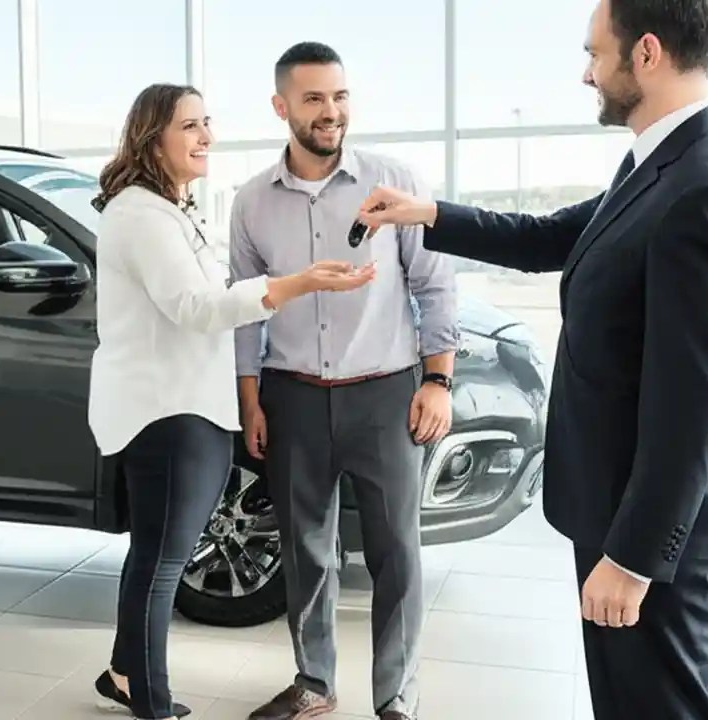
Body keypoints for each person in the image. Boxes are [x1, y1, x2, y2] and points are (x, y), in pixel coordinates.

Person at [356, 2, 708, 718]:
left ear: (646, 53)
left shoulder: (707, 191)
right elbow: (548, 237)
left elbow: (694, 410)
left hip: (652, 545)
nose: (587, 73)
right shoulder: (659, 164)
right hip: (617, 512)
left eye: (595, 53)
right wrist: (428, 214)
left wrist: (635, 560)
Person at [87, 82, 378, 720]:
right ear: (151, 137)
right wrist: (291, 285)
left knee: (155, 553)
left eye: (207, 122)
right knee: (164, 563)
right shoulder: (139, 213)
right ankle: (149, 699)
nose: (206, 136)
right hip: (165, 410)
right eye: (190, 126)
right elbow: (194, 309)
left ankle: (122, 673)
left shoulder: (166, 208)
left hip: (187, 403)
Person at [230, 42, 459, 720]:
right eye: (314, 100)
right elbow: (246, 309)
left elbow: (434, 284)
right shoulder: (251, 203)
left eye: (340, 97)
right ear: (281, 108)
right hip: (292, 393)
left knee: (397, 554)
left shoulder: (390, 180)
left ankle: (395, 696)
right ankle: (315, 682)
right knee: (305, 552)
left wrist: (438, 380)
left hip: (385, 393)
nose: (331, 113)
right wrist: (251, 402)